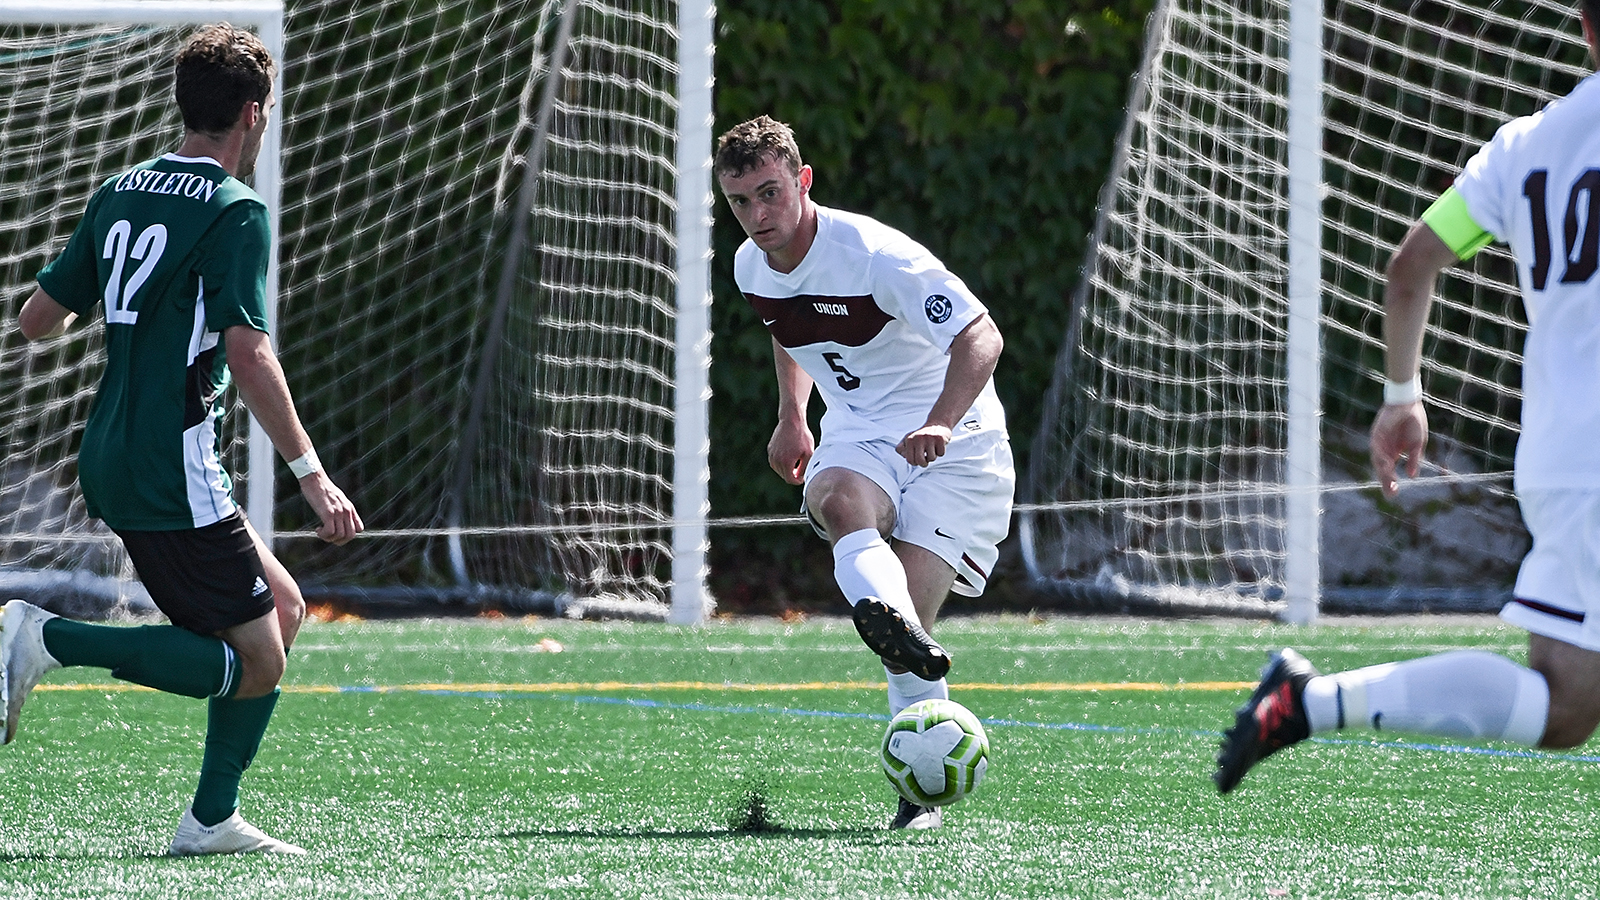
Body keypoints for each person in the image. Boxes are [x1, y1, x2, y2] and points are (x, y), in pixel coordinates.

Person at [1215, 2, 1600, 793]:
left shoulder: (1525, 147)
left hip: (1565, 465)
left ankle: (1309, 704)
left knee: (1565, 707)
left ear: (1587, 30)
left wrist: (1402, 393)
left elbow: (1409, 267)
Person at [6, 24, 363, 853]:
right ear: (251, 112)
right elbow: (249, 349)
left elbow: (36, 321)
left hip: (113, 449)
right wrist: (311, 473)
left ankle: (210, 819)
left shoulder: (122, 189)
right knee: (262, 661)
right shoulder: (237, 212)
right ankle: (44, 636)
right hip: (173, 463)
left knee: (283, 608)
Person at [715, 116, 1014, 829]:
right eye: (740, 202)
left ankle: (919, 780)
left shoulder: (877, 256)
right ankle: (898, 646)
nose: (759, 217)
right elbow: (789, 330)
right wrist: (793, 414)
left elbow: (981, 335)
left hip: (959, 445)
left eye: (771, 193)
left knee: (911, 637)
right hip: (860, 431)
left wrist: (940, 420)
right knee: (835, 495)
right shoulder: (750, 264)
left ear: (803, 180)